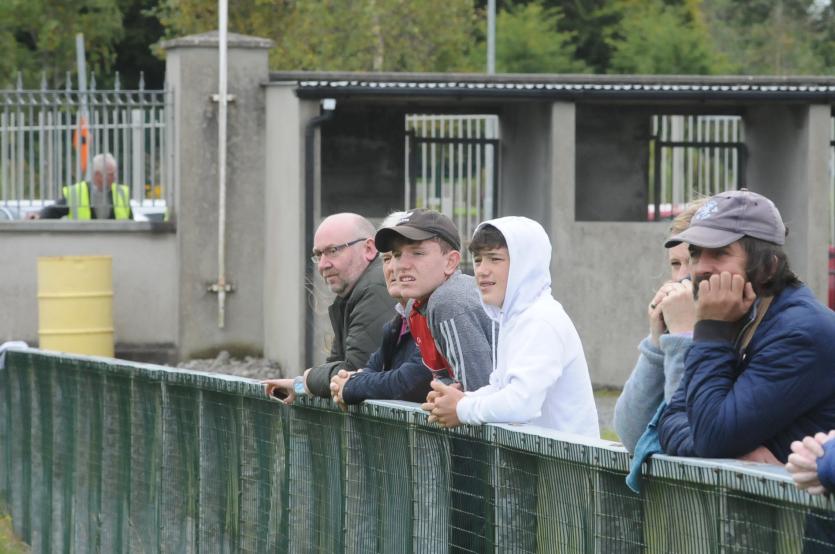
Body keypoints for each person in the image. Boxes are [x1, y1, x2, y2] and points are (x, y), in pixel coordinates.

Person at [656, 189, 835, 464]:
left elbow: (712, 435)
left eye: (718, 253)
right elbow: (670, 420)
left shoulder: (800, 332)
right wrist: (727, 450)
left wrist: (711, 329)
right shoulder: (738, 317)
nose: (700, 268)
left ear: (767, 268)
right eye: (695, 253)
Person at [419, 216, 599, 437]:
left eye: (495, 259)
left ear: (525, 265)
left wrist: (461, 408)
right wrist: (454, 400)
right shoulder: (515, 317)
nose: (482, 270)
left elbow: (521, 403)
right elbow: (500, 388)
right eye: (477, 260)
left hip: (566, 469)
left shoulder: (540, 319)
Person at [263, 213, 395, 401]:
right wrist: (300, 385)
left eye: (333, 250)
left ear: (369, 248)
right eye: (318, 254)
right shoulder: (353, 294)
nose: (323, 265)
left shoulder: (375, 289)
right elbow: (337, 365)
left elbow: (355, 373)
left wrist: (307, 380)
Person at [613, 200, 704, 452]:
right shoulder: (679, 322)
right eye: (675, 264)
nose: (681, 277)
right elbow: (630, 434)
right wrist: (656, 342)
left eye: (692, 261)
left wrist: (685, 337)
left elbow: (690, 440)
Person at [373, 208, 492, 393]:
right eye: (396, 255)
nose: (401, 265)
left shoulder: (449, 301)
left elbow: (479, 395)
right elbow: (447, 380)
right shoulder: (415, 305)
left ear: (450, 262)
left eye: (418, 253)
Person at [329, 212, 429, 406]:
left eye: (414, 254)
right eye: (387, 258)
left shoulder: (441, 308)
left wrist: (350, 386)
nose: (396, 267)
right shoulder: (396, 322)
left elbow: (408, 381)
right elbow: (368, 369)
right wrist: (345, 383)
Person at [28, 153, 132, 220]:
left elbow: (131, 220)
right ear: (97, 175)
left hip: (115, 244)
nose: (115, 177)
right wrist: (39, 215)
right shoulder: (77, 193)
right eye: (111, 174)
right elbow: (55, 210)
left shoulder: (121, 193)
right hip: (85, 245)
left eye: (115, 173)